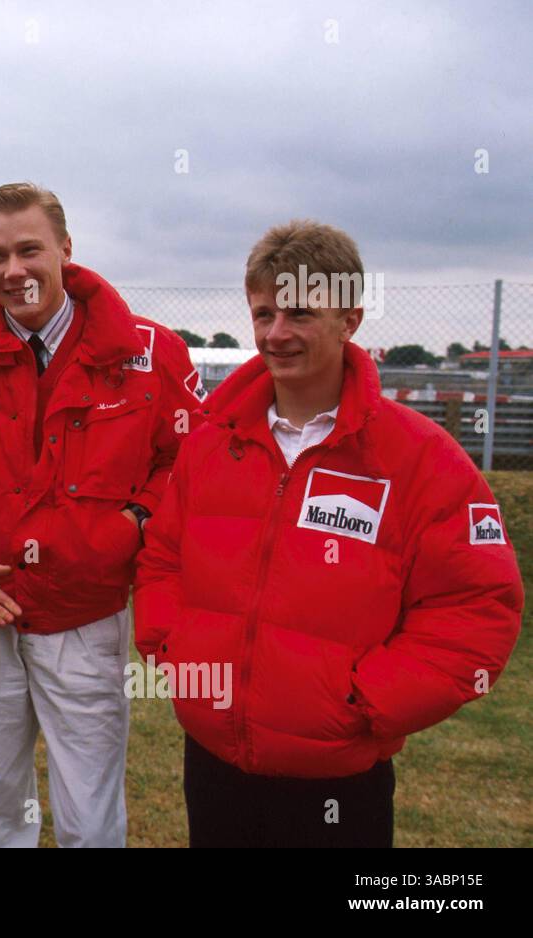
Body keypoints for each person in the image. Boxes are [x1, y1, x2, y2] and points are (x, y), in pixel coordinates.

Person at [134, 219, 524, 847]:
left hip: (339, 784)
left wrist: (366, 700)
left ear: (350, 320)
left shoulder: (421, 459)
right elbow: (162, 561)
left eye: (299, 313)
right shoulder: (209, 444)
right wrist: (174, 654)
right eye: (264, 314)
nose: (276, 333)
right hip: (212, 762)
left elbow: (477, 607)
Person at [0, 182, 203, 847]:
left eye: (29, 250)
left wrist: (131, 524)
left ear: (66, 248)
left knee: (90, 815)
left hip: (85, 614)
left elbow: (185, 463)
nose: (14, 270)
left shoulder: (152, 352)